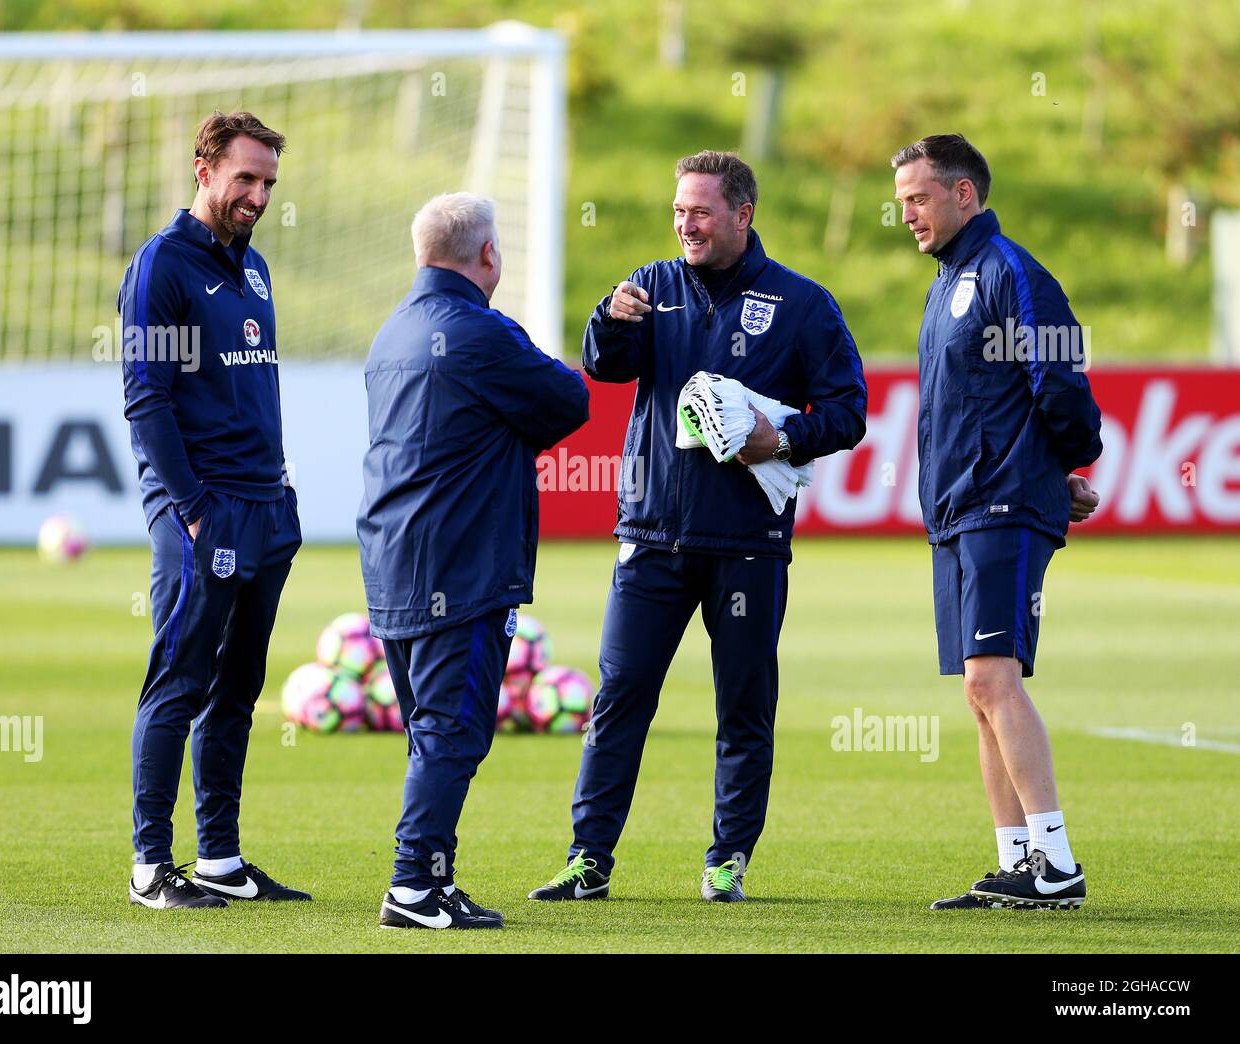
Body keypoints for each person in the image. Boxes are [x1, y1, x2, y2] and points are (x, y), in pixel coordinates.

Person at [528, 150, 867, 903]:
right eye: (679, 210)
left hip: (747, 544)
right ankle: (589, 859)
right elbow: (603, 367)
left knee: (743, 704)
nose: (686, 223)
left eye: (702, 211)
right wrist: (607, 320)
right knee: (619, 698)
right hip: (651, 537)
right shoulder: (650, 286)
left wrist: (780, 441)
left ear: (743, 214)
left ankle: (728, 859)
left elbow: (848, 412)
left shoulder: (804, 305)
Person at [358, 192, 590, 929]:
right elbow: (569, 400)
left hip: (393, 560)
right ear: (487, 255)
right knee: (450, 733)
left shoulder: (393, 329)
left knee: (432, 729)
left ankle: (434, 877)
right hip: (456, 569)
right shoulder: (481, 333)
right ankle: (414, 887)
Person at [891, 134, 1102, 910]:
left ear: (963, 195)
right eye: (901, 200)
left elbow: (1060, 380)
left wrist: (1065, 465)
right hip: (959, 511)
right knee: (979, 690)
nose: (906, 213)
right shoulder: (949, 279)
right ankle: (1018, 862)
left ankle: (1058, 864)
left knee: (992, 676)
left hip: (1000, 505)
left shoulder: (1013, 272)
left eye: (918, 197)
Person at [119, 111, 308, 909]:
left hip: (266, 505)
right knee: (180, 682)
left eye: (268, 181)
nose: (258, 194)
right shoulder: (161, 267)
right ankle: (151, 867)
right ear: (204, 170)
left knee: (238, 688)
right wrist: (191, 509)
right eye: (245, 178)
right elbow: (146, 400)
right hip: (205, 511)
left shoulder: (252, 266)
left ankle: (221, 859)